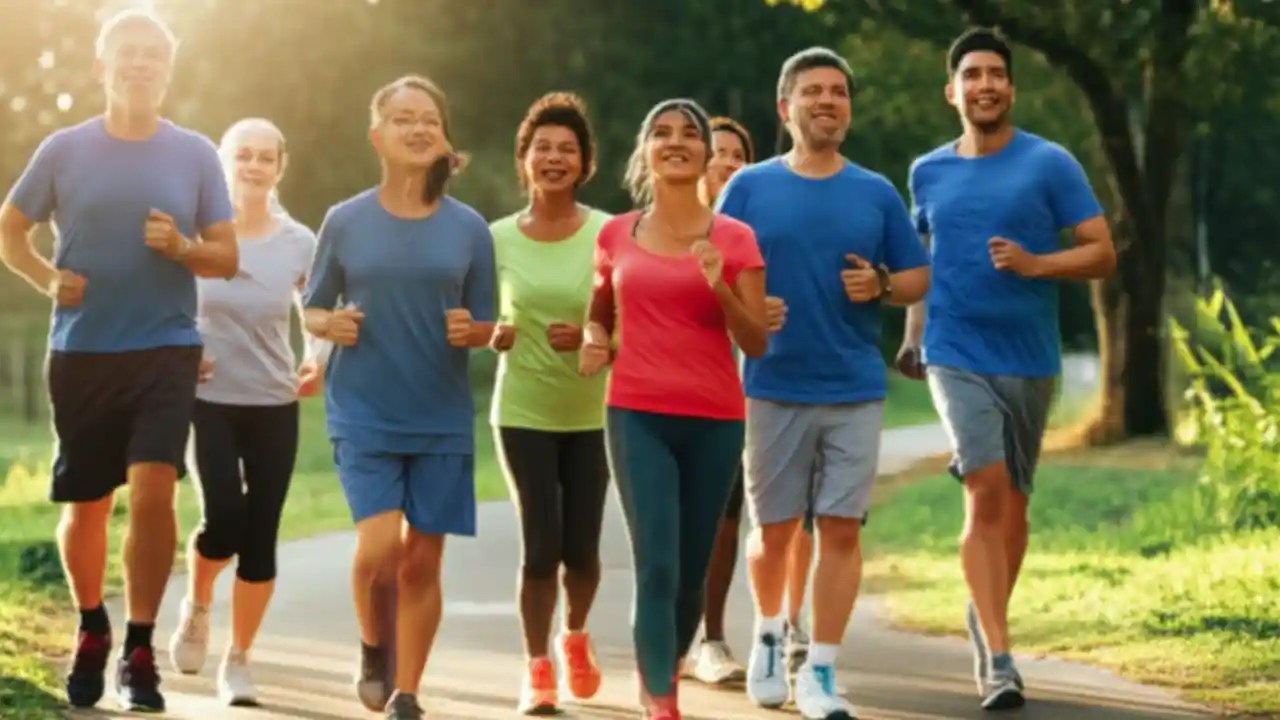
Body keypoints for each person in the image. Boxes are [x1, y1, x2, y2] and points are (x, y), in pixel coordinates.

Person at [0, 9, 237, 712]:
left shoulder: (194, 153)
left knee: (157, 487)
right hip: (82, 349)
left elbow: (225, 256)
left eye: (153, 56)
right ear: (102, 68)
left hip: (166, 345)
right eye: (126, 54)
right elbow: (10, 232)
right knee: (89, 502)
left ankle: (139, 647)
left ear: (167, 71)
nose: (140, 64)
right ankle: (91, 627)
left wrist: (183, 250)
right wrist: (47, 279)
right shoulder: (64, 150)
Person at [899, 27, 1115, 711]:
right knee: (985, 486)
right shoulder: (927, 171)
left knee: (1015, 510)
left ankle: (983, 611)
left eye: (996, 73)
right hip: (953, 351)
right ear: (952, 90)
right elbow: (923, 264)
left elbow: (1103, 252)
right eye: (972, 74)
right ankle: (997, 657)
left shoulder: (1049, 164)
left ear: (1010, 87)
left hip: (1028, 357)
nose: (985, 85)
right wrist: (912, 335)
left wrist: (1036, 265)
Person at [716, 47, 931, 719]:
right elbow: (708, 272)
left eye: (838, 92)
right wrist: (749, 307)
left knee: (841, 529)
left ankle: (824, 671)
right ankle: (770, 634)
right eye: (813, 91)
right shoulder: (748, 186)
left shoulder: (875, 191)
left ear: (849, 107)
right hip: (772, 384)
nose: (828, 101)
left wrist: (884, 285)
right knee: (775, 531)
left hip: (854, 387)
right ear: (787, 108)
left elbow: (919, 277)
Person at [302, 74, 497, 720]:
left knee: (422, 560)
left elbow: (489, 322)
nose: (419, 128)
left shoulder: (469, 228)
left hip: (440, 412)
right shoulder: (345, 219)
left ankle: (407, 691)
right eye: (404, 118)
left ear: (444, 138)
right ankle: (371, 645)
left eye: (430, 120)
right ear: (377, 136)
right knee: (380, 548)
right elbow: (314, 308)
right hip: (362, 407)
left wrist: (478, 331)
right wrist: (328, 325)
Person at [581, 98, 768, 720]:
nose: (676, 142)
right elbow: (599, 314)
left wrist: (717, 282)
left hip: (716, 419)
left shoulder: (736, 239)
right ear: (646, 153)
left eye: (690, 133)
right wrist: (590, 342)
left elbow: (755, 342)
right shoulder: (615, 235)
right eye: (661, 133)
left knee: (690, 572)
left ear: (708, 154)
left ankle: (664, 667)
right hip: (636, 413)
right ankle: (660, 697)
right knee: (656, 561)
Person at [165, 118, 320, 707]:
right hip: (208, 402)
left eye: (265, 158)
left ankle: (239, 659)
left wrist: (318, 359)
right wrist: (185, 350)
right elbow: (167, 300)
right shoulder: (198, 233)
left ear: (280, 168)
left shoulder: (298, 242)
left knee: (261, 536)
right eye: (243, 157)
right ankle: (199, 606)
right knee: (224, 516)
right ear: (224, 164)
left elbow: (320, 307)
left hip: (274, 400)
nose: (253, 167)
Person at [488, 92, 611, 715]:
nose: (555, 158)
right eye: (544, 149)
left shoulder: (610, 233)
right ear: (525, 160)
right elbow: (479, 316)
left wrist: (597, 337)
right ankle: (537, 668)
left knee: (582, 548)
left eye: (568, 149)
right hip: (524, 411)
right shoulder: (497, 238)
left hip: (595, 412)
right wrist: (494, 334)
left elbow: (633, 319)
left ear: (584, 162)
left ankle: (576, 636)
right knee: (541, 544)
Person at [685, 116, 814, 688]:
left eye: (739, 155)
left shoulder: (752, 235)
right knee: (697, 521)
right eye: (717, 153)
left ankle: (752, 632)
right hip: (685, 391)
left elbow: (770, 300)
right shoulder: (672, 232)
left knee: (753, 518)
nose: (728, 163)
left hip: (753, 392)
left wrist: (766, 312)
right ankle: (691, 638)